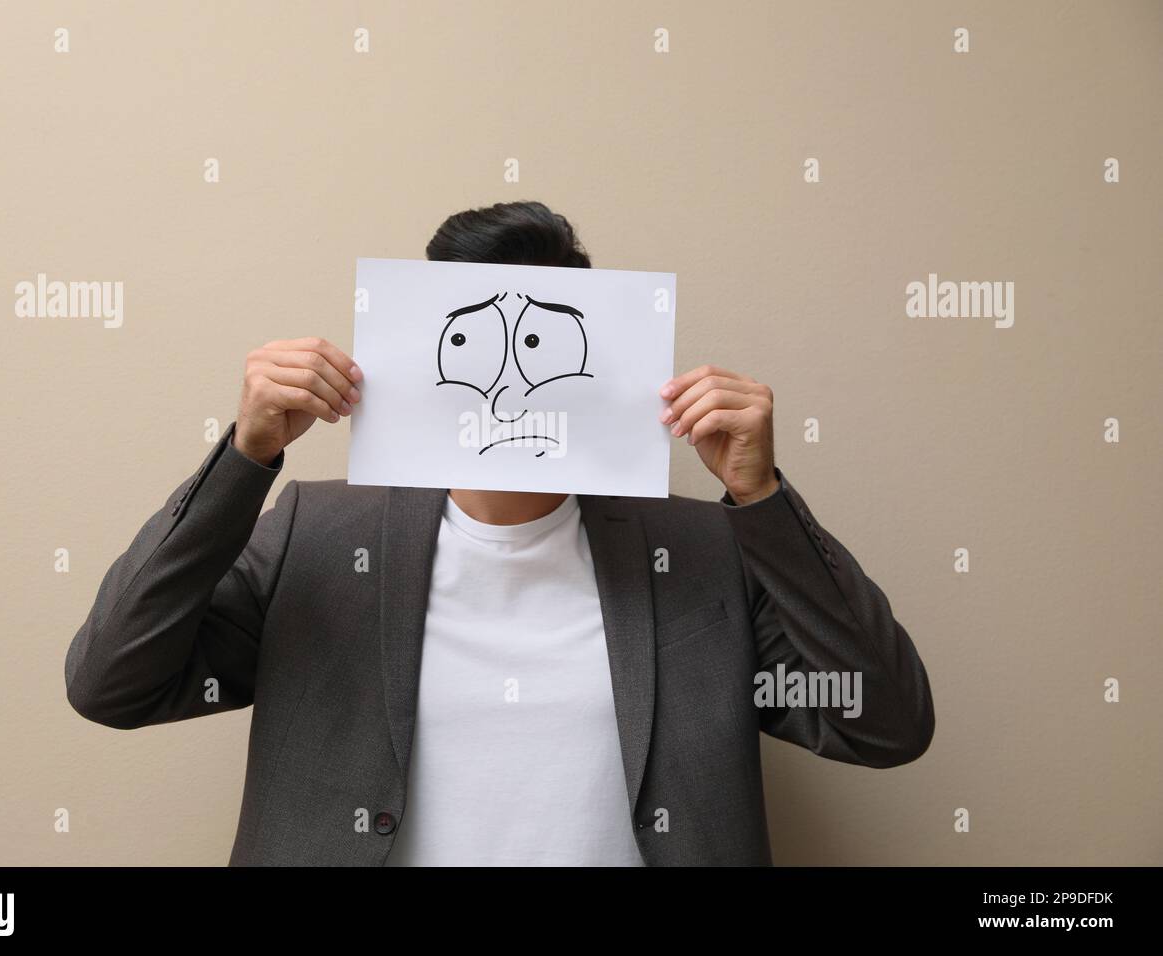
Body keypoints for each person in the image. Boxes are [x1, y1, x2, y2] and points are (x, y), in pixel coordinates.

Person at [64, 200, 934, 866]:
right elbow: (112, 681)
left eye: (546, 346)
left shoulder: (702, 553)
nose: (510, 388)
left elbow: (885, 724)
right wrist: (243, 457)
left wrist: (764, 498)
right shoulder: (318, 537)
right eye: (474, 345)